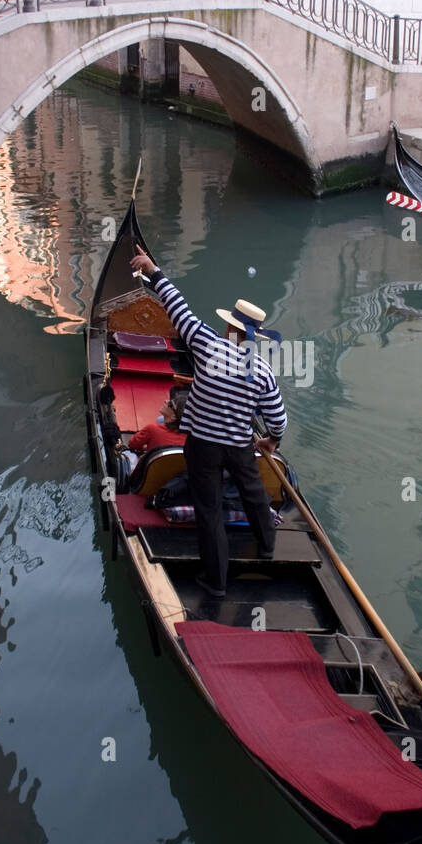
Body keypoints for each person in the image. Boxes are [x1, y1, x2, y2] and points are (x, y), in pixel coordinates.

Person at [129, 246, 287, 598]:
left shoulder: (207, 345)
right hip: (240, 446)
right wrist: (272, 441)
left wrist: (154, 272)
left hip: (203, 445)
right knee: (254, 494)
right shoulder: (261, 370)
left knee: (210, 508)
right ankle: (266, 548)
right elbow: (277, 418)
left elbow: (177, 307)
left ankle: (216, 582)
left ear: (231, 326)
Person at [128, 387, 188, 455]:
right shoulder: (190, 438)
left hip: (154, 464)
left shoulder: (152, 429)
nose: (166, 401)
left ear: (173, 417)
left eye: (170, 404)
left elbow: (132, 444)